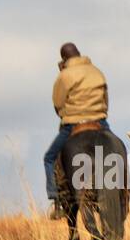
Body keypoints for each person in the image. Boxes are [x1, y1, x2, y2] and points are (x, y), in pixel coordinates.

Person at [44, 42, 110, 219]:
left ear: (64, 59)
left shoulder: (64, 76)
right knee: (118, 149)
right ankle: (124, 190)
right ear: (80, 54)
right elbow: (106, 100)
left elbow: (58, 105)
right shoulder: (97, 71)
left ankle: (57, 200)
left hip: (73, 124)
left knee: (49, 158)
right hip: (100, 122)